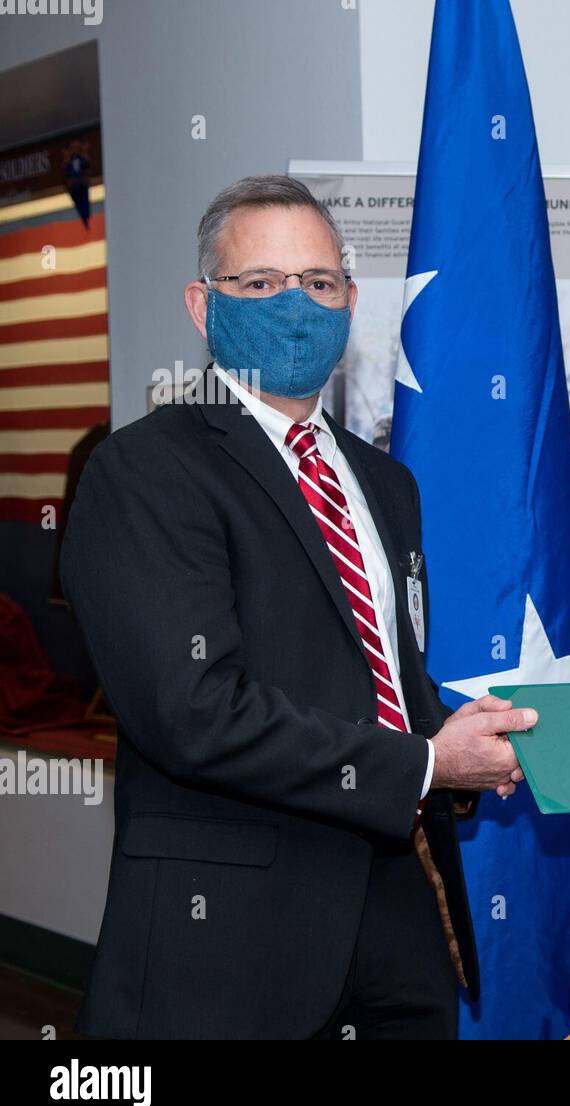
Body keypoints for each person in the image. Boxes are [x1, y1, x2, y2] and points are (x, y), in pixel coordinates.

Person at [60, 175, 535, 1039]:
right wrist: (426, 766)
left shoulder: (386, 483)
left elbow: (386, 680)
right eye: (261, 283)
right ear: (204, 307)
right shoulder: (145, 473)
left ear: (350, 303)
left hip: (399, 911)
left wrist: (466, 747)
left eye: (317, 283)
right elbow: (192, 709)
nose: (295, 304)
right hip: (230, 941)